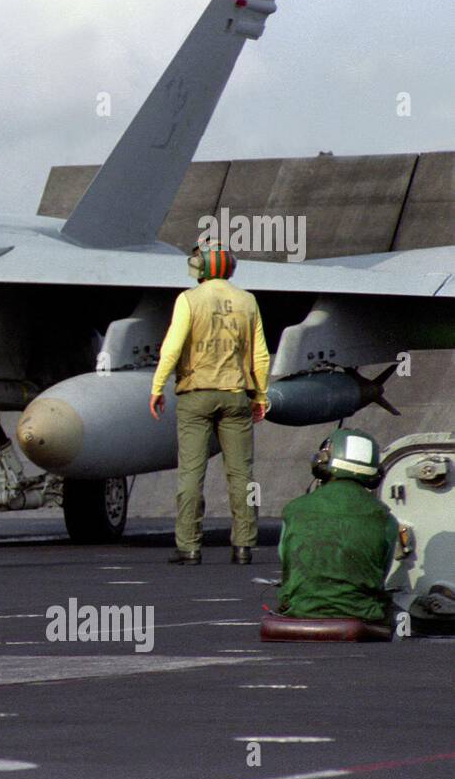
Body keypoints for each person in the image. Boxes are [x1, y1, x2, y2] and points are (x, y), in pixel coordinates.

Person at [149, 243, 269, 565]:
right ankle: (243, 546)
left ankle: (189, 547)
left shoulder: (188, 300)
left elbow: (172, 348)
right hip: (236, 395)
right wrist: (261, 395)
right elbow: (260, 355)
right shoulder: (248, 301)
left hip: (195, 395)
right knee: (242, 473)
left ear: (201, 268)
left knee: (191, 472)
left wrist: (157, 386)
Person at [276, 428, 396, 621]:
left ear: (323, 463)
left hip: (300, 609)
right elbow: (382, 571)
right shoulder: (386, 519)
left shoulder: (294, 509)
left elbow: (285, 557)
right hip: (363, 613)